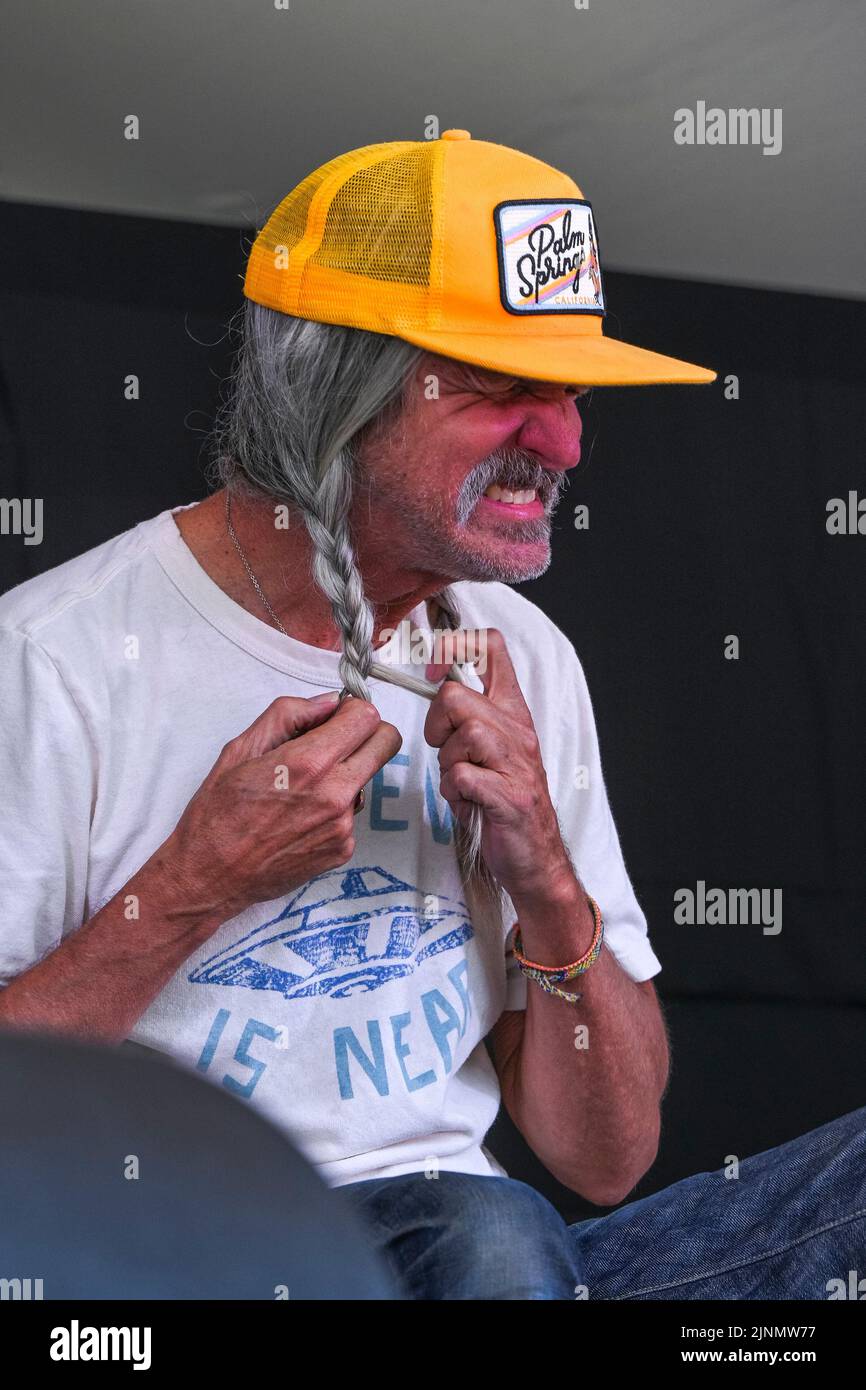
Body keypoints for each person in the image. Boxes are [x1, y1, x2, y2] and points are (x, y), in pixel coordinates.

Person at [0, 129, 862, 1300]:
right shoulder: (55, 659)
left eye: (566, 392)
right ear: (329, 392)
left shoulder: (523, 657)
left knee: (514, 1228)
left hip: (480, 1269)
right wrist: (200, 876)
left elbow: (603, 1161)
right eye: (504, 389)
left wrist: (542, 870)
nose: (561, 442)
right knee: (490, 1238)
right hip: (169, 1260)